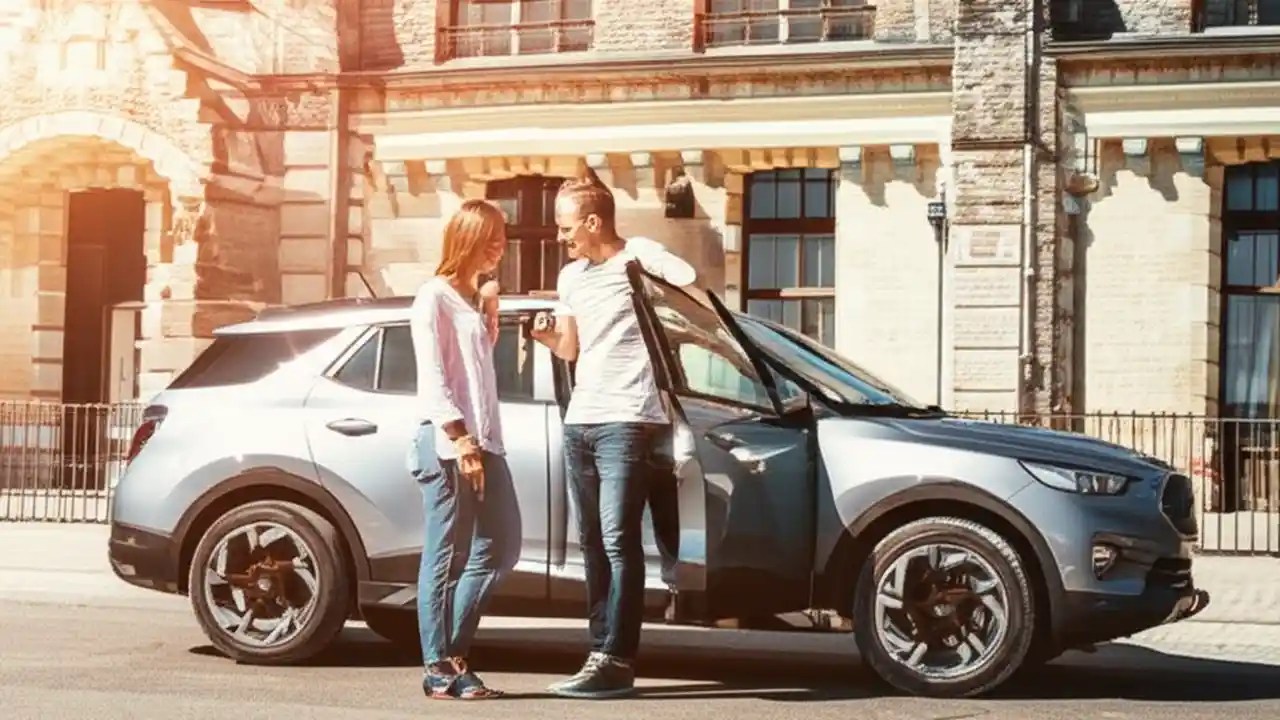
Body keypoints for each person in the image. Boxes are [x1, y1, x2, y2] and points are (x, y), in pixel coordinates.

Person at [529, 171, 695, 699]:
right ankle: (597, 650)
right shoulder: (571, 278)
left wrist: (646, 259)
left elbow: (690, 280)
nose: (561, 236)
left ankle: (617, 660)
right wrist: (547, 337)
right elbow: (572, 349)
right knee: (593, 544)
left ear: (593, 222)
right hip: (581, 419)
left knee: (621, 541)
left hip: (630, 418)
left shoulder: (635, 258)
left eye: (565, 227)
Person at [408, 199, 522, 700]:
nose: (499, 246)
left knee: (501, 545)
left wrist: (489, 310)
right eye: (490, 236)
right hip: (450, 442)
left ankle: (451, 657)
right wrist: (459, 438)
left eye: (503, 237)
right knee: (446, 554)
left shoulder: (469, 299)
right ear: (466, 239)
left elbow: (476, 371)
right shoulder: (432, 297)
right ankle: (439, 667)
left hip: (485, 441)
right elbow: (434, 374)